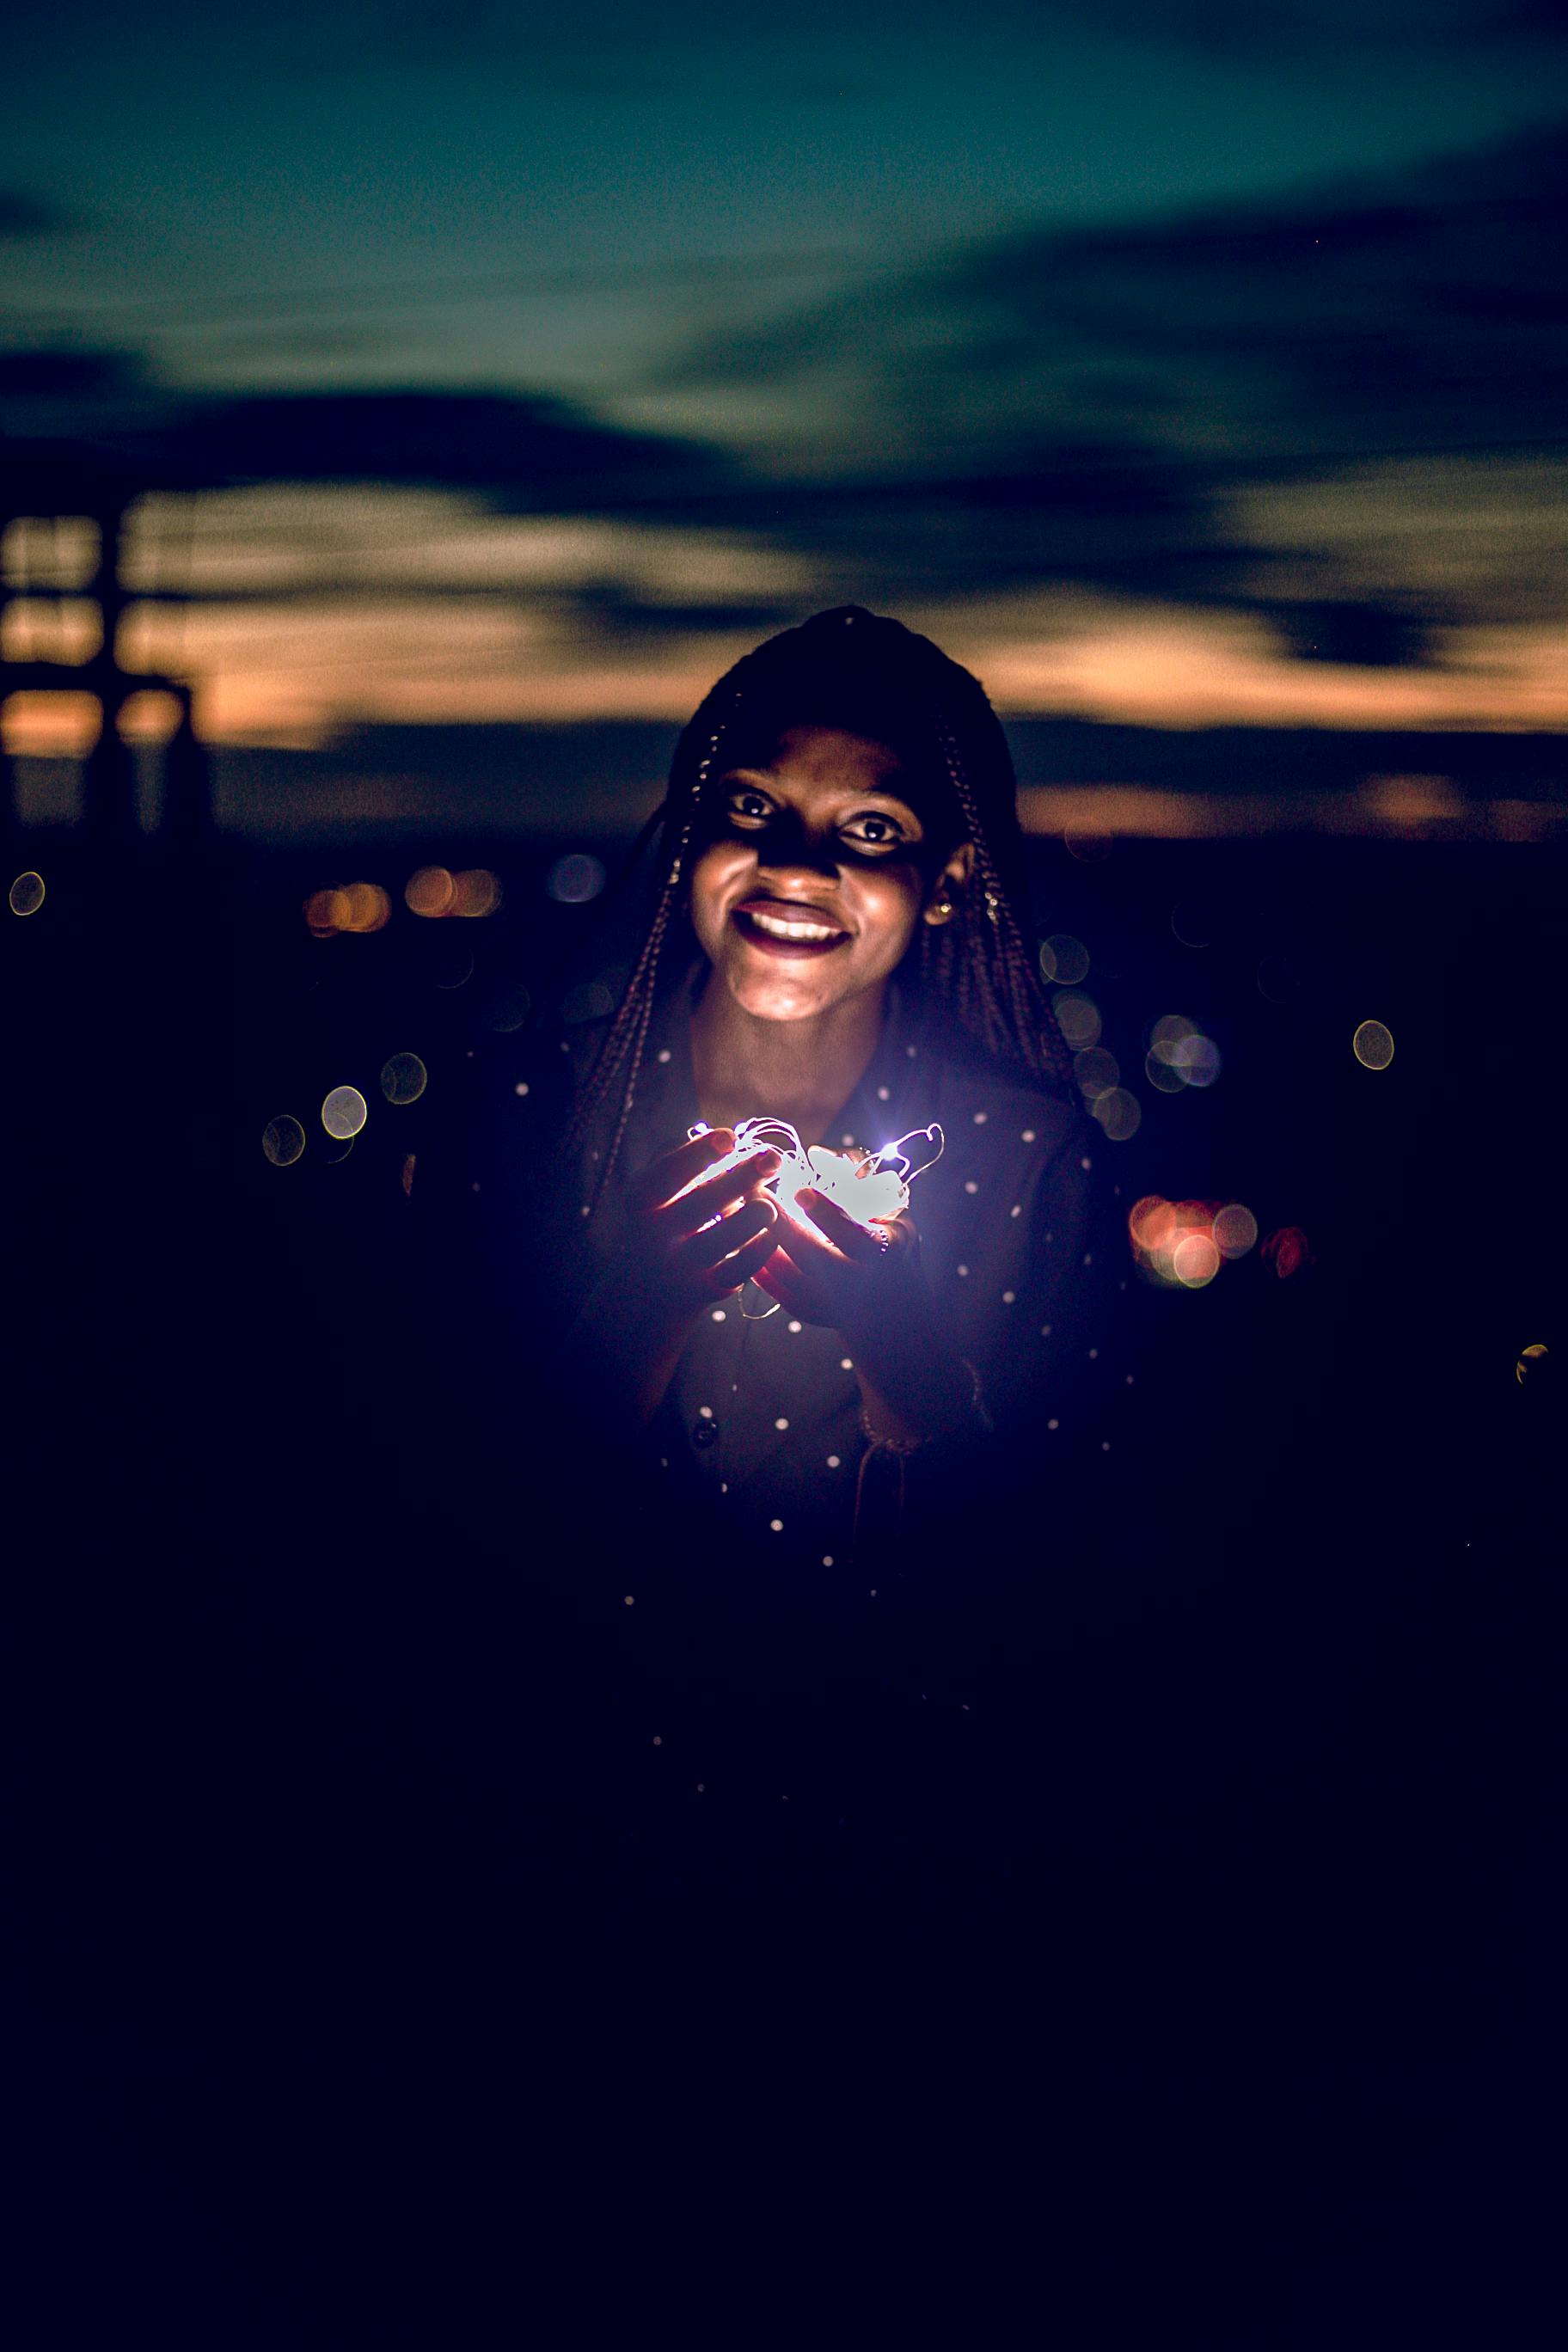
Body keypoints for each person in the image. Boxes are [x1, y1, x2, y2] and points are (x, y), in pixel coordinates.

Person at [483, 607, 1125, 1602]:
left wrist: (904, 1362)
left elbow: (1060, 1570)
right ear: (690, 831)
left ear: (947, 882)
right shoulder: (526, 1114)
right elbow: (444, 1522)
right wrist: (638, 1309)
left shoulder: (1033, 1161)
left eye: (872, 828)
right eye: (750, 807)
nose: (793, 865)